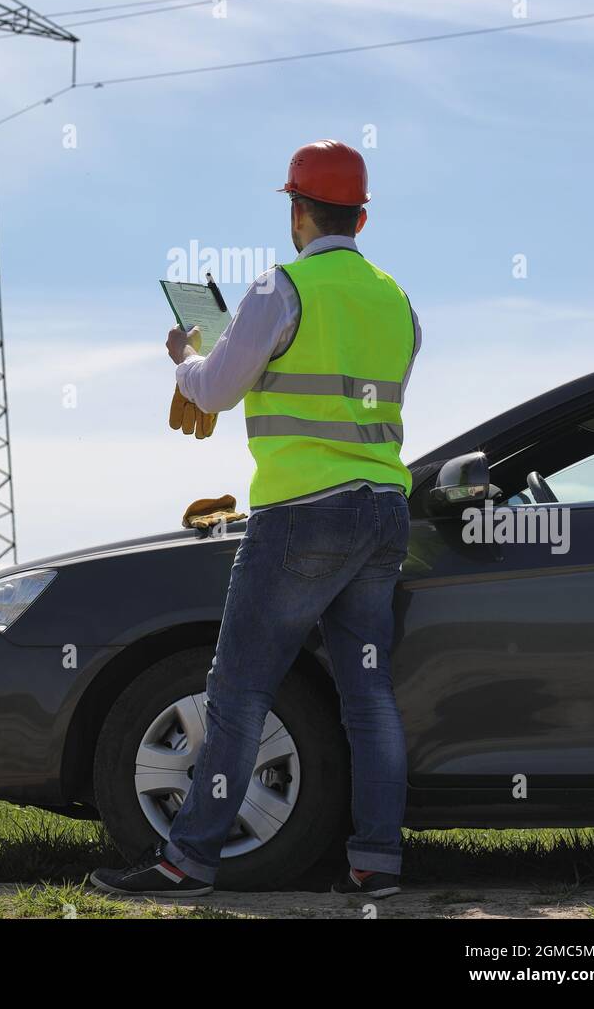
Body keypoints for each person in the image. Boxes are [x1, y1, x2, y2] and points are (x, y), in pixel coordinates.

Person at [91, 139, 421, 898]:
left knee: (238, 690)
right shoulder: (399, 301)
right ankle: (377, 863)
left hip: (304, 516)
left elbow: (212, 392)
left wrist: (183, 356)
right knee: (368, 696)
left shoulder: (281, 289)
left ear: (299, 212)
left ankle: (188, 861)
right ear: (362, 216)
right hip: (383, 512)